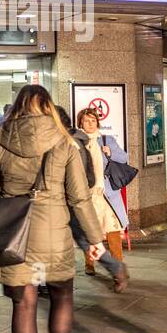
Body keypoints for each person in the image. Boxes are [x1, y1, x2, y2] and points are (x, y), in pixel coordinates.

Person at [0, 86, 104, 333]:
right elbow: (79, 197)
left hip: (13, 236)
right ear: (47, 106)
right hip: (53, 234)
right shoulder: (65, 142)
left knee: (23, 306)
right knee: (62, 297)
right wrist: (95, 239)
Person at [73, 107, 130, 289]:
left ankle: (117, 267)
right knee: (89, 229)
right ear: (80, 122)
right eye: (86, 120)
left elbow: (124, 157)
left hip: (107, 193)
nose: (90, 124)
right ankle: (89, 264)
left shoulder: (107, 140)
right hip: (86, 194)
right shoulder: (75, 142)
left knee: (113, 228)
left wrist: (109, 153)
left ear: (98, 122)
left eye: (93, 121)